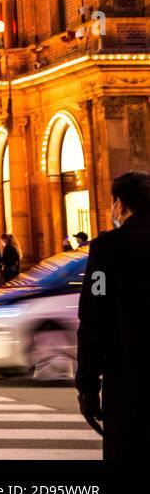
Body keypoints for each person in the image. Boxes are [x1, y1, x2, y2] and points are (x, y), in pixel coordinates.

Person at [77, 170, 150, 460]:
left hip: (129, 379)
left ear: (119, 205)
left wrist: (87, 386)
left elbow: (94, 318)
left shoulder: (108, 249)